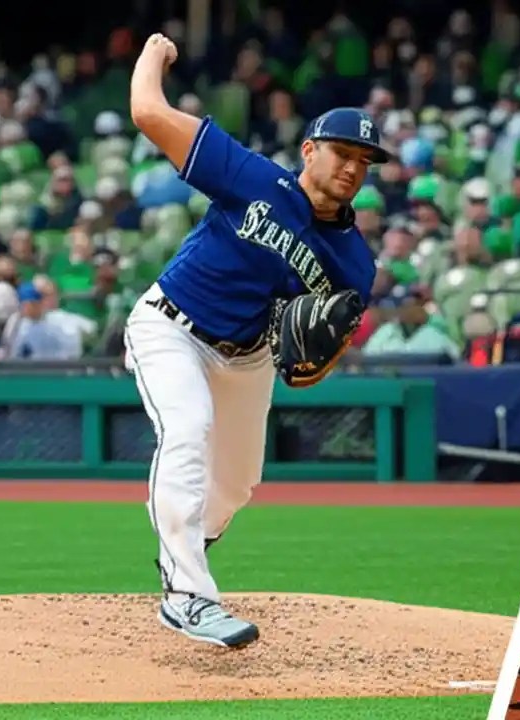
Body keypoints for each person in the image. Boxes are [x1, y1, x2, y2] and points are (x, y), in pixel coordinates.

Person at [124, 33, 388, 648]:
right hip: (171, 326)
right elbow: (147, 112)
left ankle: (184, 548)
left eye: (364, 160)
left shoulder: (355, 264)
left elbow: (318, 360)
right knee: (187, 430)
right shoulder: (251, 177)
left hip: (249, 358)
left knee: (236, 484)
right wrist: (154, 55)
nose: (352, 168)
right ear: (309, 150)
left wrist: (312, 364)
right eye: (342, 152)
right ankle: (187, 595)